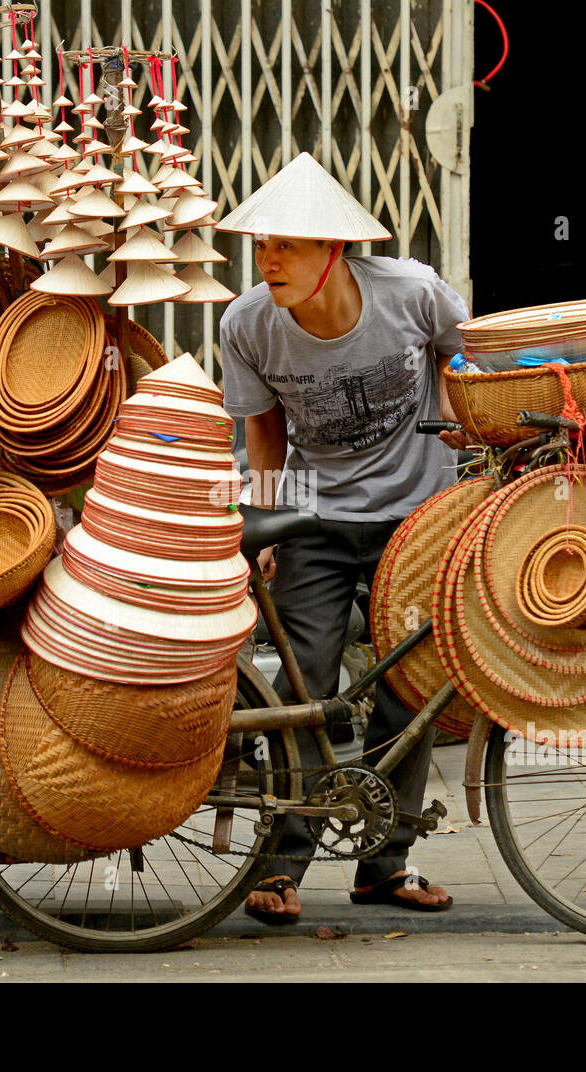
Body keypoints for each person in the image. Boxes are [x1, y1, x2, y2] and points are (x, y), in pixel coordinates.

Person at [215, 152, 470, 924]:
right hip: (316, 519)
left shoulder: (413, 293)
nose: (270, 261)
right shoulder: (249, 323)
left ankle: (382, 866)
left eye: (287, 245)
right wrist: (262, 523)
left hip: (418, 517)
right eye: (263, 246)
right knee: (303, 686)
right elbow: (261, 429)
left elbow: (468, 361)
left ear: (333, 251)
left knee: (408, 691)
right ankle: (282, 863)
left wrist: (469, 450)